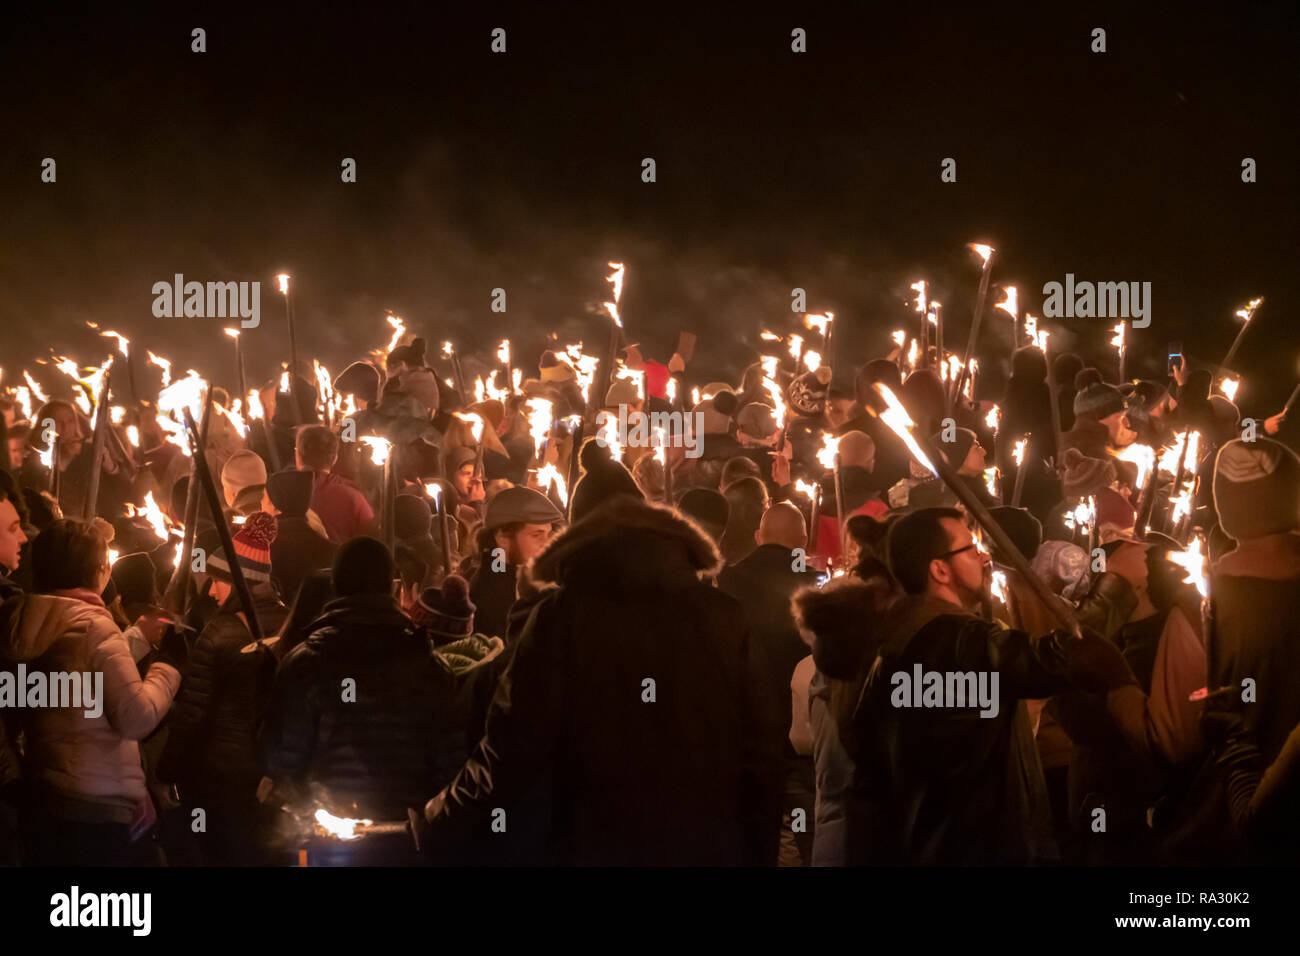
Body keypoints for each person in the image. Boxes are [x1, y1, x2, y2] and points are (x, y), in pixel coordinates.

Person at [418, 496, 785, 865]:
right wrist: (758, 850)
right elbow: (762, 751)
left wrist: (436, 821)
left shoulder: (562, 617)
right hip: (705, 847)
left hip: (596, 845)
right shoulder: (725, 617)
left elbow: (512, 747)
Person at [851, 507, 1138, 865]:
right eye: (970, 549)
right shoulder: (959, 642)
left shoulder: (892, 653)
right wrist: (1118, 587)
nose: (985, 556)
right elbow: (1054, 659)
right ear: (939, 570)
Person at [261, 537, 473, 864]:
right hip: (400, 839)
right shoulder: (430, 666)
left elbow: (282, 757)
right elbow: (451, 762)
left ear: (336, 585)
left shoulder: (306, 663)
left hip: (340, 842)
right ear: (392, 585)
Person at [4, 518, 184, 865]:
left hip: (49, 790)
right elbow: (135, 717)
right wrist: (168, 669)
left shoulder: (24, 620)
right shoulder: (94, 626)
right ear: (96, 571)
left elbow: (77, 681)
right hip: (99, 803)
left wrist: (137, 636)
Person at [156, 513, 289, 864]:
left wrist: (167, 774)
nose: (211, 590)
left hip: (222, 780)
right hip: (274, 776)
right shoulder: (294, 625)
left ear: (239, 581)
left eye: (218, 581)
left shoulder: (217, 634)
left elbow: (191, 717)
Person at [718, 502, 820, 865]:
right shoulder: (813, 586)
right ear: (803, 542)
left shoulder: (725, 582)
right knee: (807, 836)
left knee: (750, 840)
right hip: (798, 734)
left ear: (759, 537)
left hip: (741, 734)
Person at [468, 486, 563, 641]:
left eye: (548, 534)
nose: (547, 543)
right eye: (536, 535)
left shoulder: (510, 574)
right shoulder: (490, 593)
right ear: (502, 539)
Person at [265, 469, 337, 603]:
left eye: (265, 499)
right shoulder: (333, 551)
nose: (261, 505)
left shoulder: (264, 552)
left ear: (275, 505)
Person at [296, 425, 375, 543]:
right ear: (335, 458)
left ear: (298, 455)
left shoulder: (278, 495)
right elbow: (372, 539)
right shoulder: (353, 497)